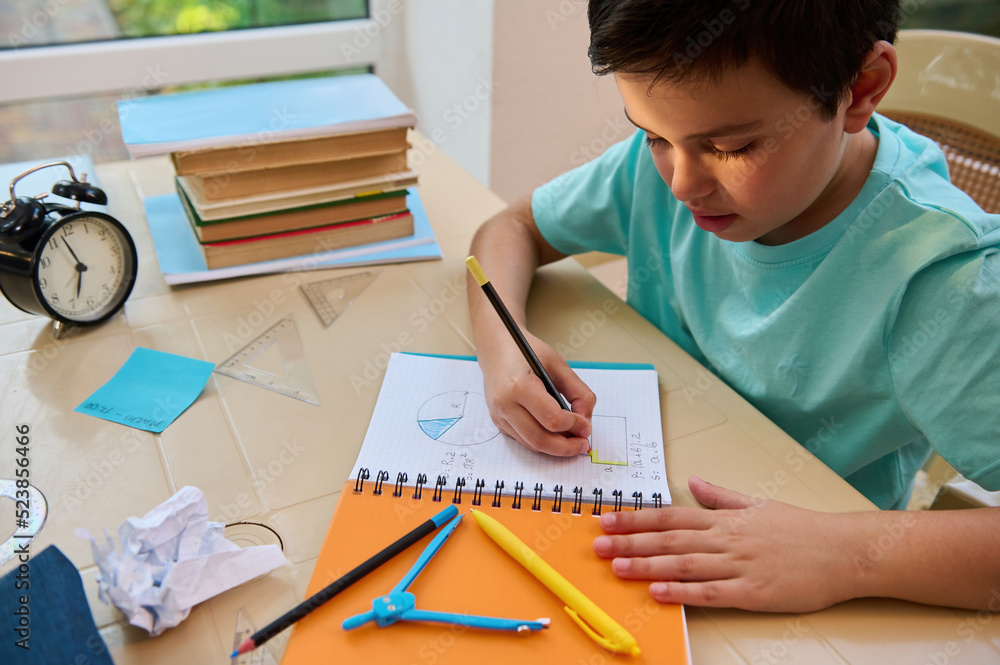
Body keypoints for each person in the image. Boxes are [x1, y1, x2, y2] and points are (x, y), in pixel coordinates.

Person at [467, 0, 1000, 613]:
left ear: (861, 88)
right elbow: (512, 228)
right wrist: (503, 347)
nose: (681, 185)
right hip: (642, 502)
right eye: (654, 136)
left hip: (810, 581)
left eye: (733, 146)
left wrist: (848, 555)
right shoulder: (662, 164)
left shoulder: (946, 281)